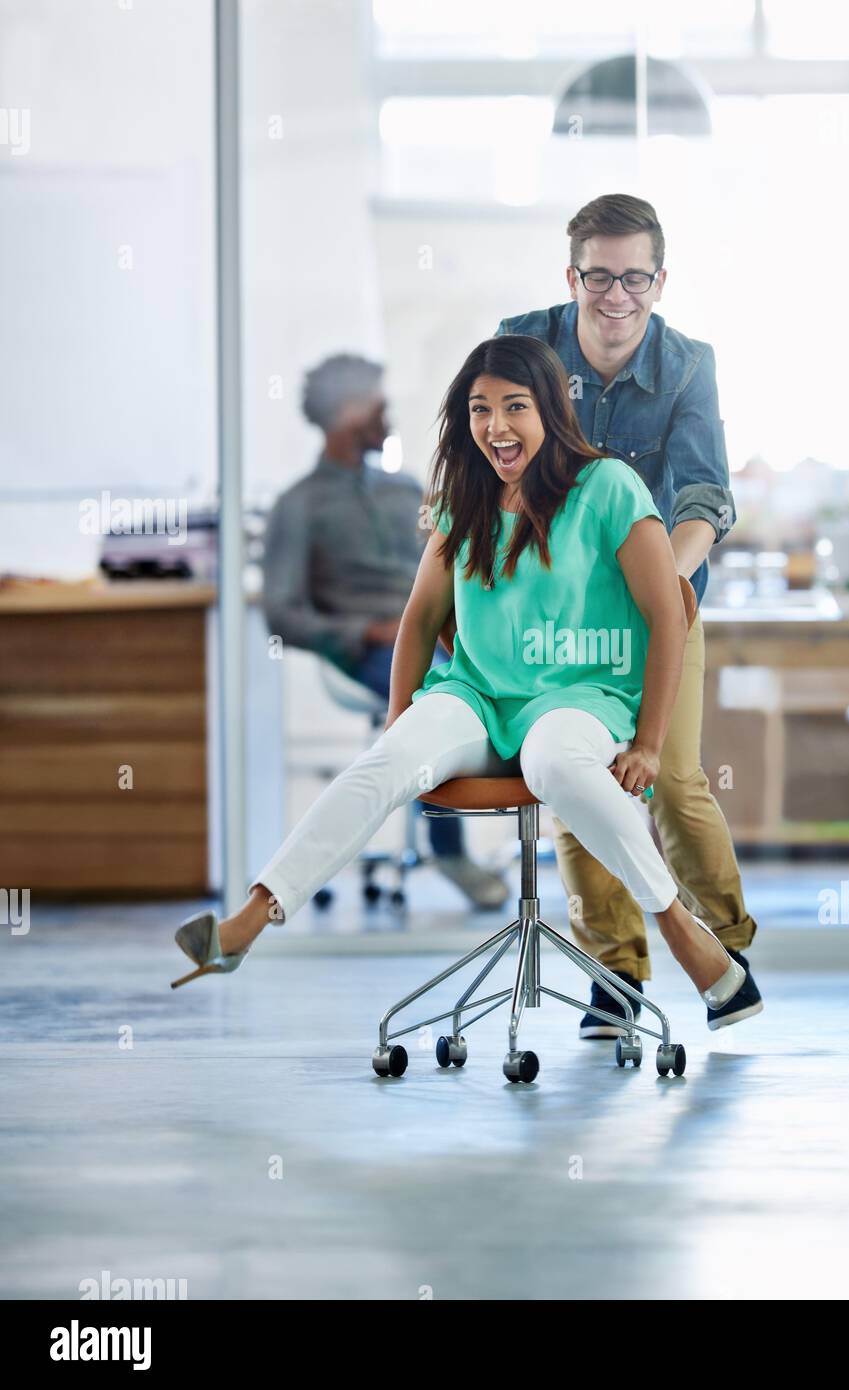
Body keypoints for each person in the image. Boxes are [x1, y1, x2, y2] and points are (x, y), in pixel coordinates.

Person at [171, 335, 755, 1030]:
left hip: (581, 698)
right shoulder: (464, 499)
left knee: (552, 761)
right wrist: (401, 720)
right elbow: (420, 620)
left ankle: (682, 931)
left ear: (550, 412)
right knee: (385, 761)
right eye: (480, 410)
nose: (495, 427)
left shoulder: (608, 489)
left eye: (514, 407)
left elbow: (667, 616)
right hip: (478, 696)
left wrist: (650, 744)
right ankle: (246, 923)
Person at [496, 193, 761, 1033]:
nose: (617, 296)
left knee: (673, 780)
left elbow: (703, 492)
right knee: (583, 781)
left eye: (635, 278)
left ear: (660, 279)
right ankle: (616, 973)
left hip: (661, 605)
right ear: (572, 275)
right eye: (600, 277)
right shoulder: (524, 344)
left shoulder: (687, 364)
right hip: (560, 610)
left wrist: (665, 579)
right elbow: (491, 459)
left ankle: (723, 946)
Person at [261, 352, 507, 910]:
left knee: (492, 677)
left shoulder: (405, 491)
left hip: (444, 630)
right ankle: (449, 851)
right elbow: (282, 613)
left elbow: (451, 564)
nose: (388, 416)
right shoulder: (297, 507)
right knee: (443, 698)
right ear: (350, 414)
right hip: (369, 649)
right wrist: (362, 630)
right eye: (379, 406)